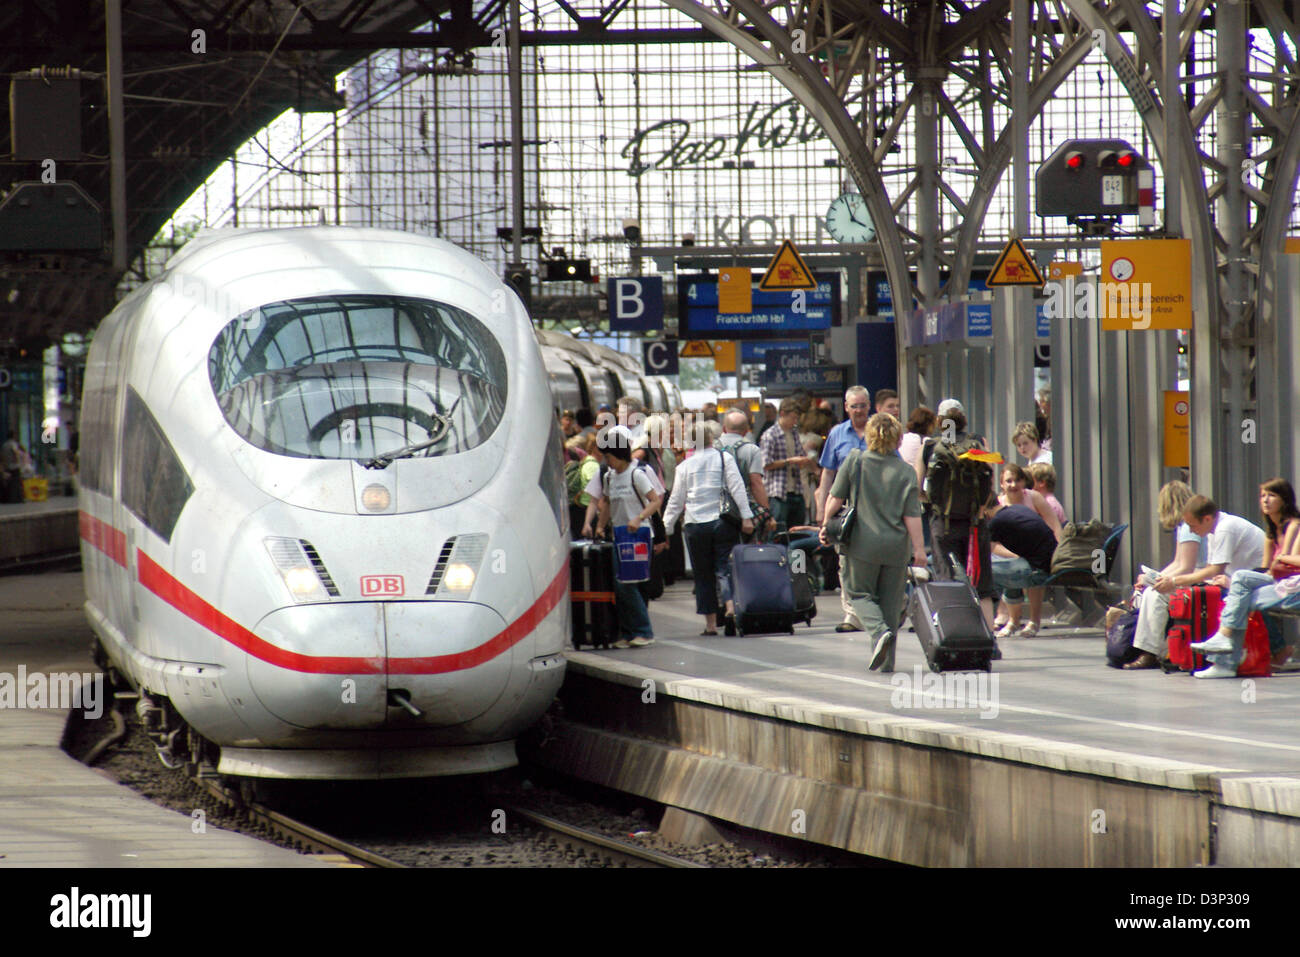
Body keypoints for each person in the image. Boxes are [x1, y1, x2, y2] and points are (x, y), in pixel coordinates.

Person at [820, 413, 926, 672]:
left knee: (859, 594)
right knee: (890, 606)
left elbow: (835, 498)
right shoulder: (906, 472)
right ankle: (886, 664)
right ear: (898, 439)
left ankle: (879, 634)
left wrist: (825, 524)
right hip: (896, 548)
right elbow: (911, 514)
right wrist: (920, 550)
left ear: (868, 435)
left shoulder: (855, 461)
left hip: (862, 545)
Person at [1128, 494, 1265, 671]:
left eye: (1192, 525)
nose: (1191, 531)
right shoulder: (1213, 530)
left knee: (1171, 594)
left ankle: (1158, 652)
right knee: (1157, 592)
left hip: (1249, 583)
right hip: (1229, 580)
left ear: (1207, 519)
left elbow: (1214, 570)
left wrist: (1175, 581)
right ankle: (1152, 650)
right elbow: (1211, 569)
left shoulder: (1225, 528)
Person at [1190, 479, 1300, 676]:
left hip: (1293, 583)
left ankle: (1225, 662)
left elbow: (1290, 565)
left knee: (1240, 591)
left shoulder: (1294, 525)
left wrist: (1282, 558)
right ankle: (1225, 658)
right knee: (1241, 595)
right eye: (1262, 496)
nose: (1265, 500)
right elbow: (1267, 570)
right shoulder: (1270, 531)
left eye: (1271, 495)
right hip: (1279, 581)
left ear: (1284, 500)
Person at [663, 421, 754, 635]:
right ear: (712, 439)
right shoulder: (724, 458)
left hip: (695, 525)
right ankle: (730, 607)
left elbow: (676, 501)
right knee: (724, 569)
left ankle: (711, 624)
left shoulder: (684, 466)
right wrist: (747, 516)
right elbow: (737, 488)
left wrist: (666, 529)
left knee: (703, 574)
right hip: (722, 522)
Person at [923, 399, 997, 625]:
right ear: (963, 420)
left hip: (942, 524)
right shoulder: (978, 443)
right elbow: (989, 481)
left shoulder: (929, 447)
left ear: (939, 421)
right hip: (974, 524)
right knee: (982, 584)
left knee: (946, 581)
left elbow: (919, 489)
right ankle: (989, 640)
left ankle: (954, 632)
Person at [585, 432, 661, 649]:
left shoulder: (636, 474)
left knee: (627, 585)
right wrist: (600, 525)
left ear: (619, 454)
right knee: (621, 586)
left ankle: (643, 632)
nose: (606, 461)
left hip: (638, 535)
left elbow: (654, 501)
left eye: (608, 456)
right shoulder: (609, 477)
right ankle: (629, 633)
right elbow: (607, 503)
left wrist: (639, 517)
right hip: (619, 534)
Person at [1123, 481, 1204, 670]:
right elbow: (1178, 562)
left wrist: (1158, 581)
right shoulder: (1184, 526)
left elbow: (1186, 566)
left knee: (1155, 595)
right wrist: (1156, 578)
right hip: (1196, 575)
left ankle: (1150, 651)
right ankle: (1152, 648)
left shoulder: (1187, 528)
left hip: (1199, 578)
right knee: (1152, 590)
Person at [816, 386, 871, 632]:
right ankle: (851, 614)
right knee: (846, 561)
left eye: (863, 405)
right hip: (844, 507)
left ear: (869, 406)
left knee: (872, 559)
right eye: (854, 406)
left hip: (875, 506)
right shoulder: (837, 434)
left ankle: (874, 609)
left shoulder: (878, 431)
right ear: (846, 408)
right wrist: (821, 511)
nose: (859, 410)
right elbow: (827, 474)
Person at [986, 492, 1057, 637]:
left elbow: (989, 547)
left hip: (1038, 571)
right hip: (1047, 563)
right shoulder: (1017, 509)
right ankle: (1013, 621)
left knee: (988, 573)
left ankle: (987, 624)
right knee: (1007, 567)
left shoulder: (997, 522)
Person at [760, 398, 816, 530]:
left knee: (797, 532)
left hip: (796, 489)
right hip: (778, 492)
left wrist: (804, 460)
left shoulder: (794, 433)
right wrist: (790, 461)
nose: (795, 422)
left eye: (797, 419)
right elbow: (766, 464)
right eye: (793, 418)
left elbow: (800, 454)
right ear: (782, 414)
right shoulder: (769, 435)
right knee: (779, 532)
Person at [716, 409, 772, 537]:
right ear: (747, 430)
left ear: (724, 429)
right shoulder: (752, 450)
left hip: (712, 509)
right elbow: (756, 483)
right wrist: (767, 514)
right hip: (741, 513)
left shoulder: (711, 448)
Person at [1, 431, 23, 504]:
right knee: (16, 483)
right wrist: (19, 461)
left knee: (8, 483)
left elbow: (2, 456)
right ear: (13, 436)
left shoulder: (4, 445)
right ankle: (16, 498)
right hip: (14, 466)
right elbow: (16, 453)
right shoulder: (13, 444)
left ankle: (8, 498)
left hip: (7, 466)